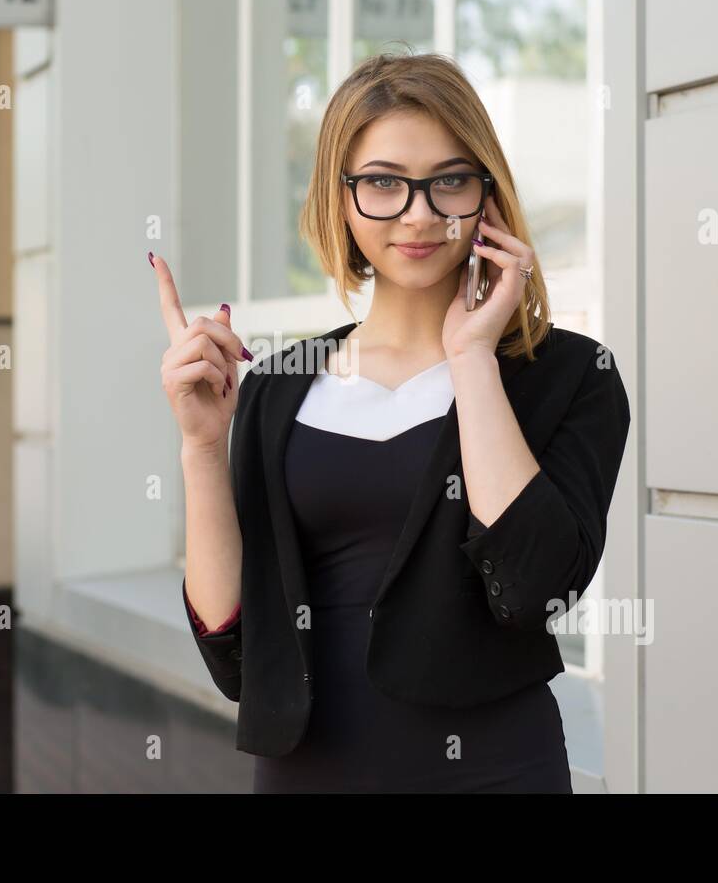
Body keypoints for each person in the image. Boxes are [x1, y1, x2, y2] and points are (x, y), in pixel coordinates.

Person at [151, 52, 631, 792]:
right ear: (339, 200)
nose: (418, 213)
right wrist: (201, 446)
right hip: (308, 773)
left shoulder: (570, 376)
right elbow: (235, 655)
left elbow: (535, 588)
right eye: (381, 182)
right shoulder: (278, 388)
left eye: (449, 181)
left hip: (496, 772)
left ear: (487, 196)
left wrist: (471, 355)